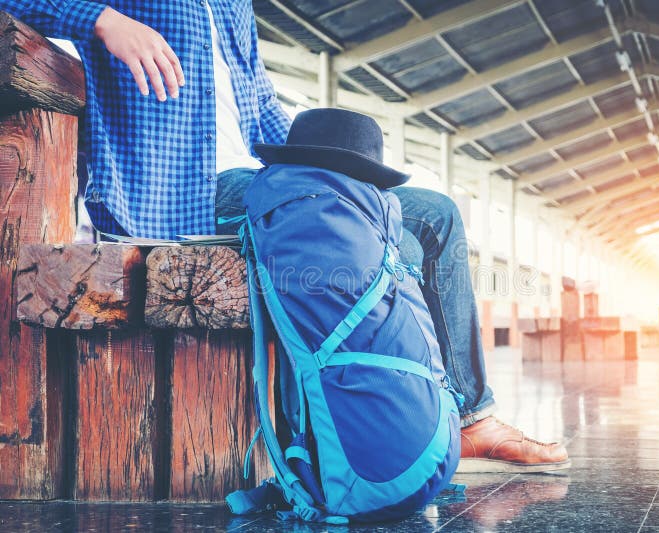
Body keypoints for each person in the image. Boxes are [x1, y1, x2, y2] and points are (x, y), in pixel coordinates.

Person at [2, 0, 569, 473]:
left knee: (432, 214)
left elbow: (260, 108)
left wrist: (338, 169)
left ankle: (468, 418)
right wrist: (105, 20)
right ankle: (370, 431)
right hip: (182, 193)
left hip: (264, 179)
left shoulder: (230, 5)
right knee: (399, 239)